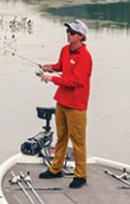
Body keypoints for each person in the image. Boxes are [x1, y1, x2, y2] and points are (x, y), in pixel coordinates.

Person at [36, 19, 92, 187]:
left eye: (72, 32)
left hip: (77, 105)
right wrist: (50, 67)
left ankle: (81, 175)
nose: (68, 34)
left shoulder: (85, 57)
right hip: (62, 101)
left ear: (81, 36)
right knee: (61, 137)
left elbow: (75, 81)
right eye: (68, 31)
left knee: (78, 142)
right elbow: (61, 65)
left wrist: (51, 78)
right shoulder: (65, 50)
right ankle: (56, 169)